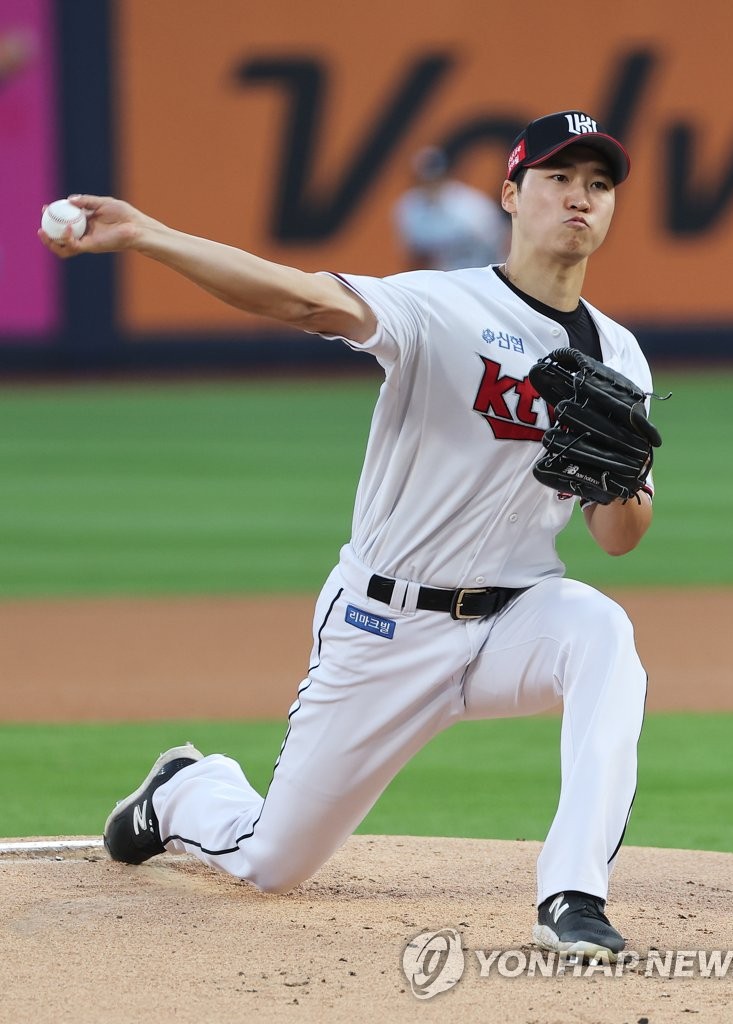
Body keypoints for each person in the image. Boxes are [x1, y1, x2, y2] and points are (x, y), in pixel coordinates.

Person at [39, 110, 655, 964]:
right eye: (558, 178)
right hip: (386, 628)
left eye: (598, 183)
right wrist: (149, 234)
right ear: (512, 196)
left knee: (605, 634)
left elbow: (619, 538)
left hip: (517, 617)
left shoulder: (620, 357)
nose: (579, 198)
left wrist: (623, 481)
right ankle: (186, 789)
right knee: (272, 862)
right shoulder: (442, 304)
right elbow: (301, 297)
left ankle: (573, 894)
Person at [393, 145, 509, 270]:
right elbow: (412, 257)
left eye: (434, 178)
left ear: (445, 175)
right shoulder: (409, 208)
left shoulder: (471, 204)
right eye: (423, 179)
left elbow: (500, 242)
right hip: (437, 280)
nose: (430, 184)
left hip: (477, 273)